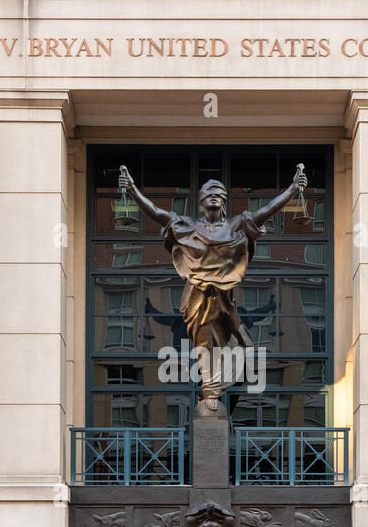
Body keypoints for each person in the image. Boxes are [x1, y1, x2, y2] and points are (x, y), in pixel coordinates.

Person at [118, 164, 306, 410]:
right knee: (206, 346)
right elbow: (155, 212)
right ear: (202, 200)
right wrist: (131, 189)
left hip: (224, 298)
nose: (214, 195)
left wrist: (293, 189)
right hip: (198, 296)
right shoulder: (188, 226)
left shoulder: (236, 225)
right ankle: (210, 391)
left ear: (224, 201)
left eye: (218, 192)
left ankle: (215, 389)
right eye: (209, 193)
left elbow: (267, 210)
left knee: (244, 346)